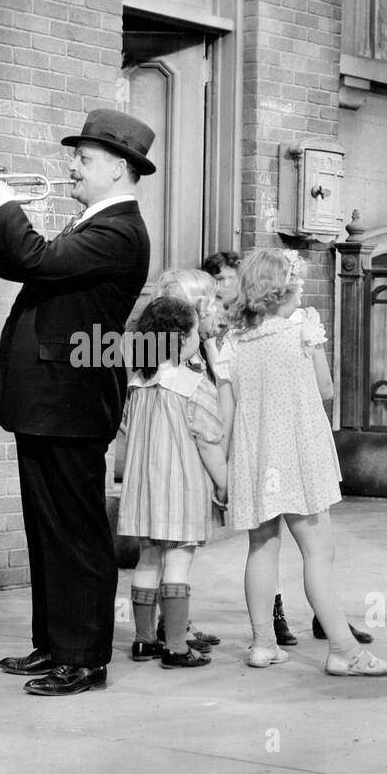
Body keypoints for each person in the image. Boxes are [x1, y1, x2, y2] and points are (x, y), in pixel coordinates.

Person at [0, 108, 152, 696]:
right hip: (50, 400)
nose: (72, 166)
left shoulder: (117, 229)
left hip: (71, 401)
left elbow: (35, 260)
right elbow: (29, 269)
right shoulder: (92, 224)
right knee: (47, 530)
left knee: (75, 533)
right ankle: (54, 643)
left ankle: (83, 657)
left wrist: (1, 204)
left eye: (85, 158)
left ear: (118, 168)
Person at [227, 249, 387, 676]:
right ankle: (344, 650)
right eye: (297, 284)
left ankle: (263, 644)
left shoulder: (233, 341)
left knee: (261, 546)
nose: (301, 291)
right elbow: (325, 389)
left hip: (255, 454)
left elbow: (228, 406)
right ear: (279, 291)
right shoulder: (301, 329)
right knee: (319, 550)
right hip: (298, 451)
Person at [118, 296, 226, 669]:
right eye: (195, 332)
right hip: (180, 487)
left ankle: (144, 641)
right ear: (180, 338)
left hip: (145, 490)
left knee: (148, 560)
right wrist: (224, 483)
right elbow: (209, 442)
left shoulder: (139, 383)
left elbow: (128, 430)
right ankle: (177, 646)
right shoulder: (192, 384)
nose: (199, 338)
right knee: (178, 561)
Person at [149, 267, 226, 654]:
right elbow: (211, 430)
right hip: (182, 473)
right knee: (176, 556)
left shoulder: (157, 364)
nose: (220, 315)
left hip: (155, 475)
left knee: (158, 557)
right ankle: (174, 639)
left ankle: (166, 629)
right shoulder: (185, 367)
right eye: (214, 306)